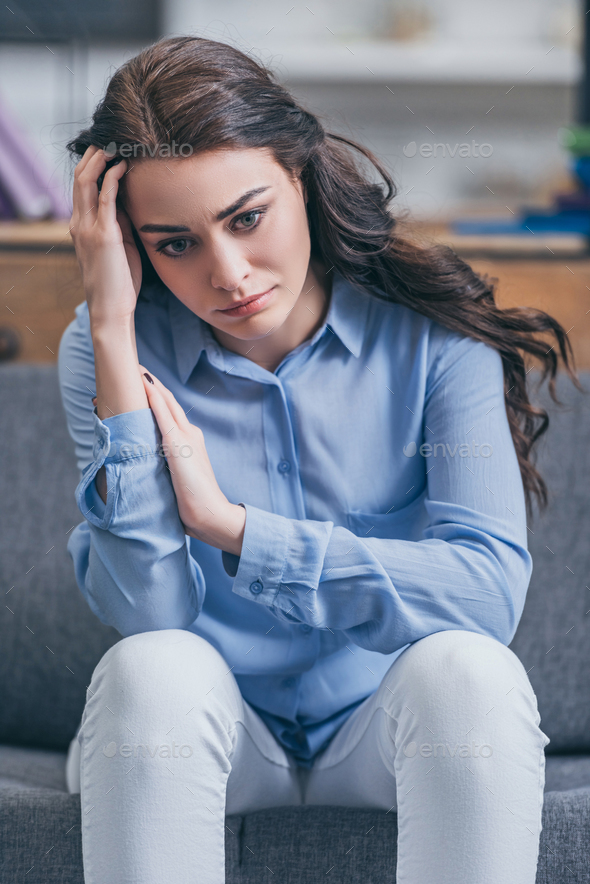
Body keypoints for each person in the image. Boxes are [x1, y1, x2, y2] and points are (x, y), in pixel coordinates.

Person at [58, 34, 581, 884]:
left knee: (471, 671)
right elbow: (147, 608)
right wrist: (112, 328)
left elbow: (485, 594)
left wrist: (232, 529)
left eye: (247, 217)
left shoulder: (434, 334)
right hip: (206, 734)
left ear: (299, 175)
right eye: (174, 243)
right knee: (151, 667)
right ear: (131, 243)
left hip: (380, 732)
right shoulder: (110, 349)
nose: (228, 274)